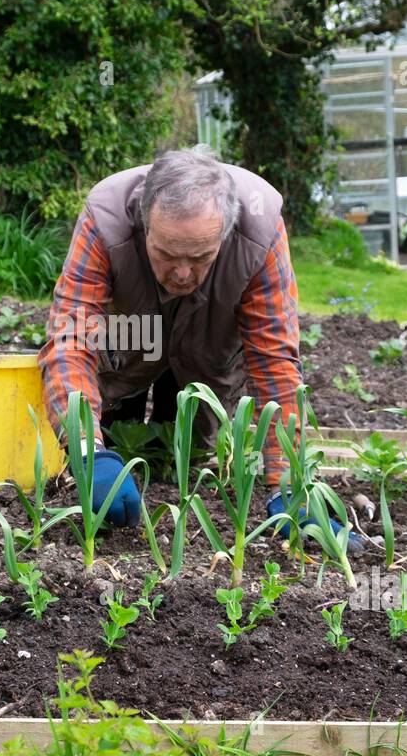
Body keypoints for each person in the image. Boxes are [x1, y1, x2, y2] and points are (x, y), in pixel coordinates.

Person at [38, 145, 364, 550]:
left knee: (186, 461)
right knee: (117, 450)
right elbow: (72, 340)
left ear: (225, 234)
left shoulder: (259, 231)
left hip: (209, 354)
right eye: (166, 254)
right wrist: (87, 451)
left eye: (200, 258)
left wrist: (289, 484)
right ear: (145, 224)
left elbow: (274, 360)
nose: (181, 273)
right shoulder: (107, 219)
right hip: (130, 341)